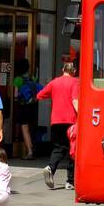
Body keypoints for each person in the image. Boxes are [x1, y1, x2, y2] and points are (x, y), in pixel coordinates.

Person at [38, 61, 79, 191]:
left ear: (63, 69)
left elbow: (40, 95)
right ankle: (70, 181)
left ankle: (50, 167)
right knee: (73, 151)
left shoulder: (55, 82)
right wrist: (81, 114)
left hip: (56, 120)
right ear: (74, 71)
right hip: (71, 121)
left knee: (58, 148)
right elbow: (75, 100)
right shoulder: (75, 82)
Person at [13, 61, 39, 159]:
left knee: (25, 129)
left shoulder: (18, 79)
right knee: (32, 128)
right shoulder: (32, 78)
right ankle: (33, 147)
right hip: (32, 106)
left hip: (23, 107)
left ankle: (29, 152)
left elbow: (15, 95)